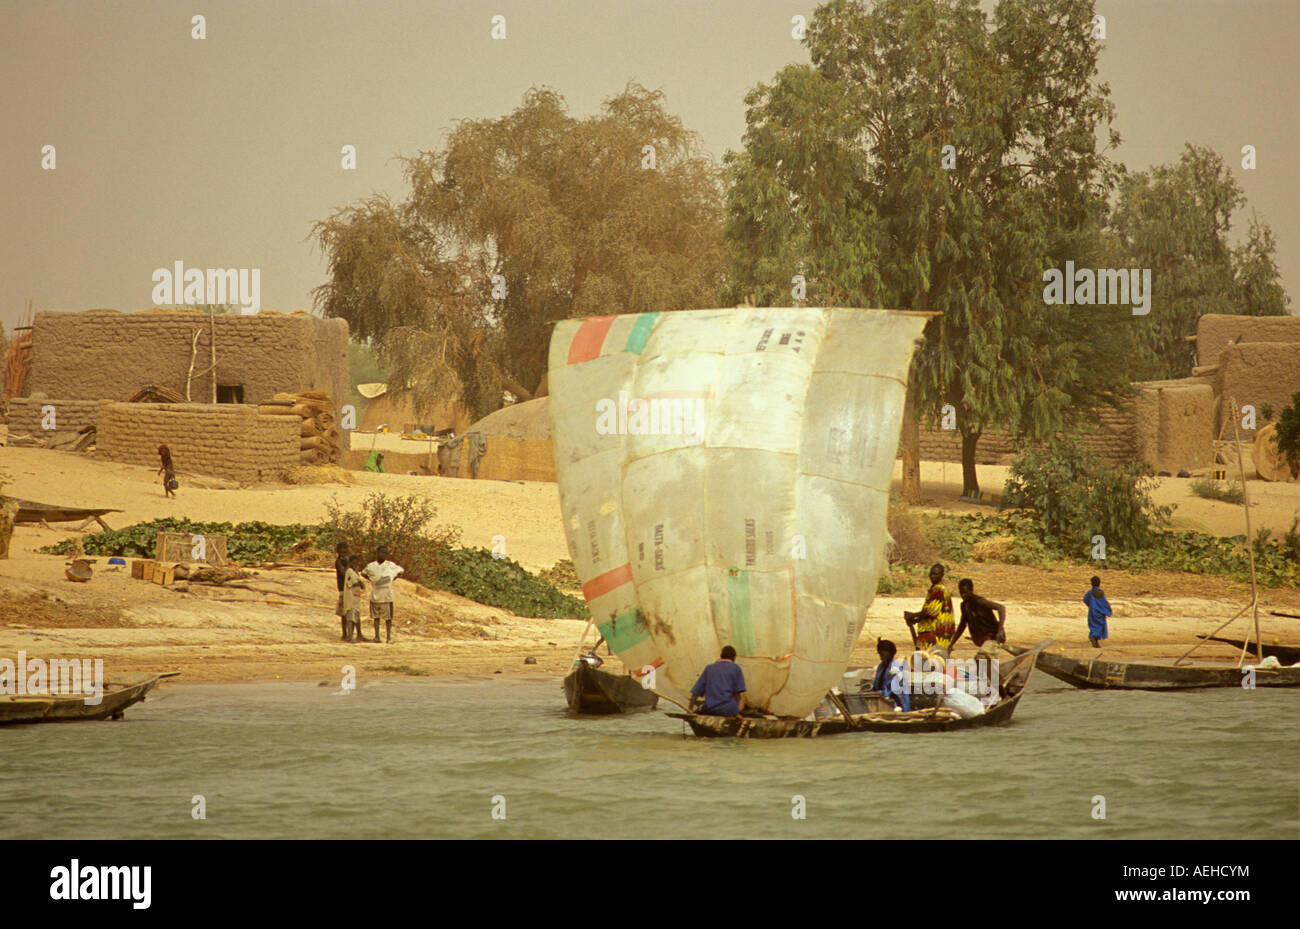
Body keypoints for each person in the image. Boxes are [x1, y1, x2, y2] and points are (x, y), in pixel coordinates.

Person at [904, 563, 956, 652]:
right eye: (931, 574)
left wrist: (913, 615)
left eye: (936, 574)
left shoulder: (939, 589)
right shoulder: (934, 589)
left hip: (937, 634)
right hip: (933, 632)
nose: (932, 576)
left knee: (931, 661)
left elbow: (931, 612)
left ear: (942, 575)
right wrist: (916, 619)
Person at [953, 578, 1007, 656]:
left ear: (971, 590)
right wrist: (951, 643)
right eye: (961, 592)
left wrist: (1000, 630)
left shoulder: (979, 602)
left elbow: (1001, 608)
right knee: (985, 663)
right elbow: (962, 625)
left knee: (983, 660)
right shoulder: (964, 605)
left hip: (992, 637)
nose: (963, 595)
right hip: (982, 640)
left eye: (965, 592)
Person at [689, 645, 747, 717]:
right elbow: (738, 694)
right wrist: (736, 711)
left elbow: (695, 692)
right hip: (729, 710)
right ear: (734, 657)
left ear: (721, 656)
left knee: (700, 709)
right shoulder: (736, 668)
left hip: (710, 709)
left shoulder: (709, 668)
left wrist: (690, 710)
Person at [362, 546, 404, 643]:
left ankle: (388, 638)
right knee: (376, 617)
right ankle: (377, 637)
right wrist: (372, 581)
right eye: (382, 552)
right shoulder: (371, 566)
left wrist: (393, 579)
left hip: (387, 596)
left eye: (385, 553)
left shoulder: (390, 565)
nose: (383, 555)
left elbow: (401, 571)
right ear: (377, 553)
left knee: (388, 618)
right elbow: (363, 573)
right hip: (375, 595)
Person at [869, 638, 910, 712]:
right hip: (884, 699)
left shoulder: (895, 669)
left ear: (889, 653)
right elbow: (876, 685)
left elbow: (890, 691)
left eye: (882, 652)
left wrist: (877, 694)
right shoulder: (881, 666)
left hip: (896, 703)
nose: (880, 654)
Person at [343, 555, 366, 643]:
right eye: (354, 563)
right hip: (350, 598)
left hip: (356, 597)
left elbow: (360, 584)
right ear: (350, 563)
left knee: (356, 616)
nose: (356, 564)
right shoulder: (349, 571)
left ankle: (359, 634)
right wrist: (360, 582)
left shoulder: (355, 572)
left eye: (357, 563)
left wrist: (360, 583)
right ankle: (350, 636)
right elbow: (352, 582)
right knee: (350, 617)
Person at [1084, 575, 1112, 648]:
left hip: (1092, 612)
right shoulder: (1101, 593)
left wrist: (1090, 605)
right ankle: (1094, 639)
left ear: (1091, 583)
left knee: (1093, 626)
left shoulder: (1089, 593)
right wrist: (1108, 611)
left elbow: (1085, 599)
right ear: (1099, 583)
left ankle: (1094, 639)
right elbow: (1104, 603)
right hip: (1100, 613)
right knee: (1099, 626)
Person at [334, 542, 350, 641]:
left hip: (349, 588)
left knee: (350, 612)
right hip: (343, 589)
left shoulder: (346, 560)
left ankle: (349, 633)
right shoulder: (338, 561)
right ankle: (345, 634)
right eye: (342, 551)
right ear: (338, 552)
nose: (344, 553)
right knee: (344, 613)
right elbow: (344, 573)